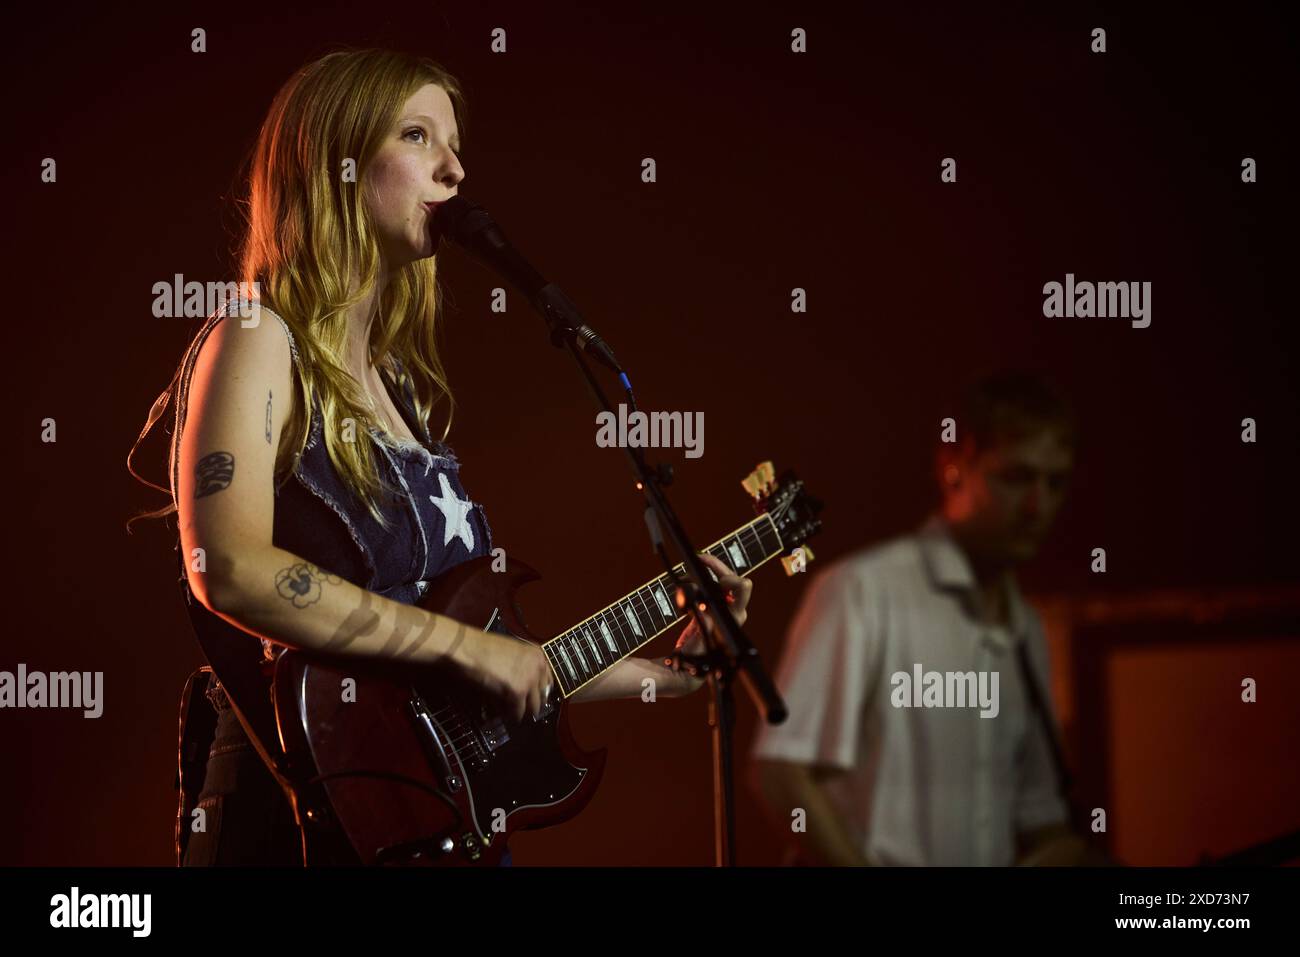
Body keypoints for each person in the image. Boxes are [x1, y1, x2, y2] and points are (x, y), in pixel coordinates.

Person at [127, 48, 751, 866]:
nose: (456, 169)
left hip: (421, 822)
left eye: (455, 144)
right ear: (333, 162)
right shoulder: (255, 336)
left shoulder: (402, 392)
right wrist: (469, 648)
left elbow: (480, 664)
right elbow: (230, 566)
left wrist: (668, 676)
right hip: (302, 818)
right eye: (419, 136)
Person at [750, 371, 1094, 866]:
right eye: (1015, 477)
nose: (1038, 505)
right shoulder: (863, 590)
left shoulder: (1029, 630)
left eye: (1055, 482)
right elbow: (781, 771)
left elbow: (1040, 820)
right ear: (953, 467)